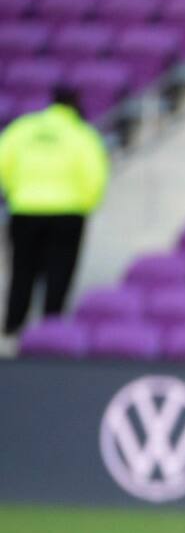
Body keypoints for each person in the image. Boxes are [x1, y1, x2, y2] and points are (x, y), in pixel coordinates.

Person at [0, 85, 109, 352]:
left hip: (25, 209)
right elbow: (95, 175)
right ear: (76, 102)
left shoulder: (23, 129)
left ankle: (13, 329)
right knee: (59, 273)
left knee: (22, 271)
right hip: (67, 213)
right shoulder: (82, 134)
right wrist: (84, 204)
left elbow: (3, 163)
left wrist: (16, 192)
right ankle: (50, 333)